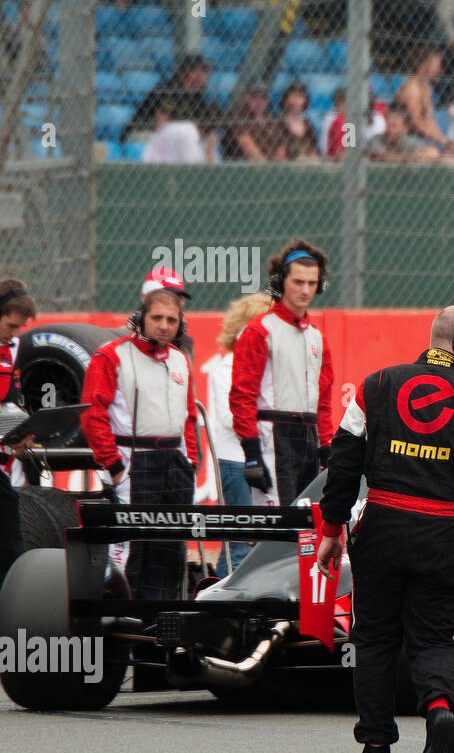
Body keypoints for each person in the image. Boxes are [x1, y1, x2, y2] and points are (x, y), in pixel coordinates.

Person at [318, 304, 454, 753]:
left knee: (373, 642)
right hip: (443, 537)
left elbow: (342, 465)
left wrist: (329, 530)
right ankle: (438, 709)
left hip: (381, 531)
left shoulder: (375, 386)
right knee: (432, 640)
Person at [80, 288, 198, 599]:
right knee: (133, 552)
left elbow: (188, 419)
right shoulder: (110, 355)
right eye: (156, 317)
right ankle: (125, 631)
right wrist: (115, 467)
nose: (163, 325)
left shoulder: (180, 360)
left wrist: (191, 463)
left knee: (171, 552)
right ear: (140, 319)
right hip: (132, 463)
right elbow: (92, 415)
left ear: (180, 325)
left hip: (174, 465)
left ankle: (162, 632)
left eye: (171, 319)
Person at [230, 240, 334, 508]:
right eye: (298, 282)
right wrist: (251, 453)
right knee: (278, 531)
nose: (306, 290)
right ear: (280, 281)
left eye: (312, 283)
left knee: (309, 529)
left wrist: (326, 449)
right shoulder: (259, 330)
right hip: (272, 438)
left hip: (308, 437)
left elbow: (323, 403)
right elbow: (242, 396)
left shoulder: (318, 338)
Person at [201, 292, 273, 577]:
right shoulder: (227, 366)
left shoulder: (267, 365)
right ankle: (219, 607)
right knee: (241, 544)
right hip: (236, 462)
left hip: (260, 461)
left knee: (260, 541)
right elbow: (233, 418)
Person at [0, 281, 39, 587]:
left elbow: (8, 403)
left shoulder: (7, 351)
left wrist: (19, 434)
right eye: (11, 325)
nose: (15, 334)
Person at [139, 266, 194, 359]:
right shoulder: (121, 343)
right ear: (145, 298)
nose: (172, 304)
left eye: (177, 299)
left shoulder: (185, 345)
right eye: (165, 298)